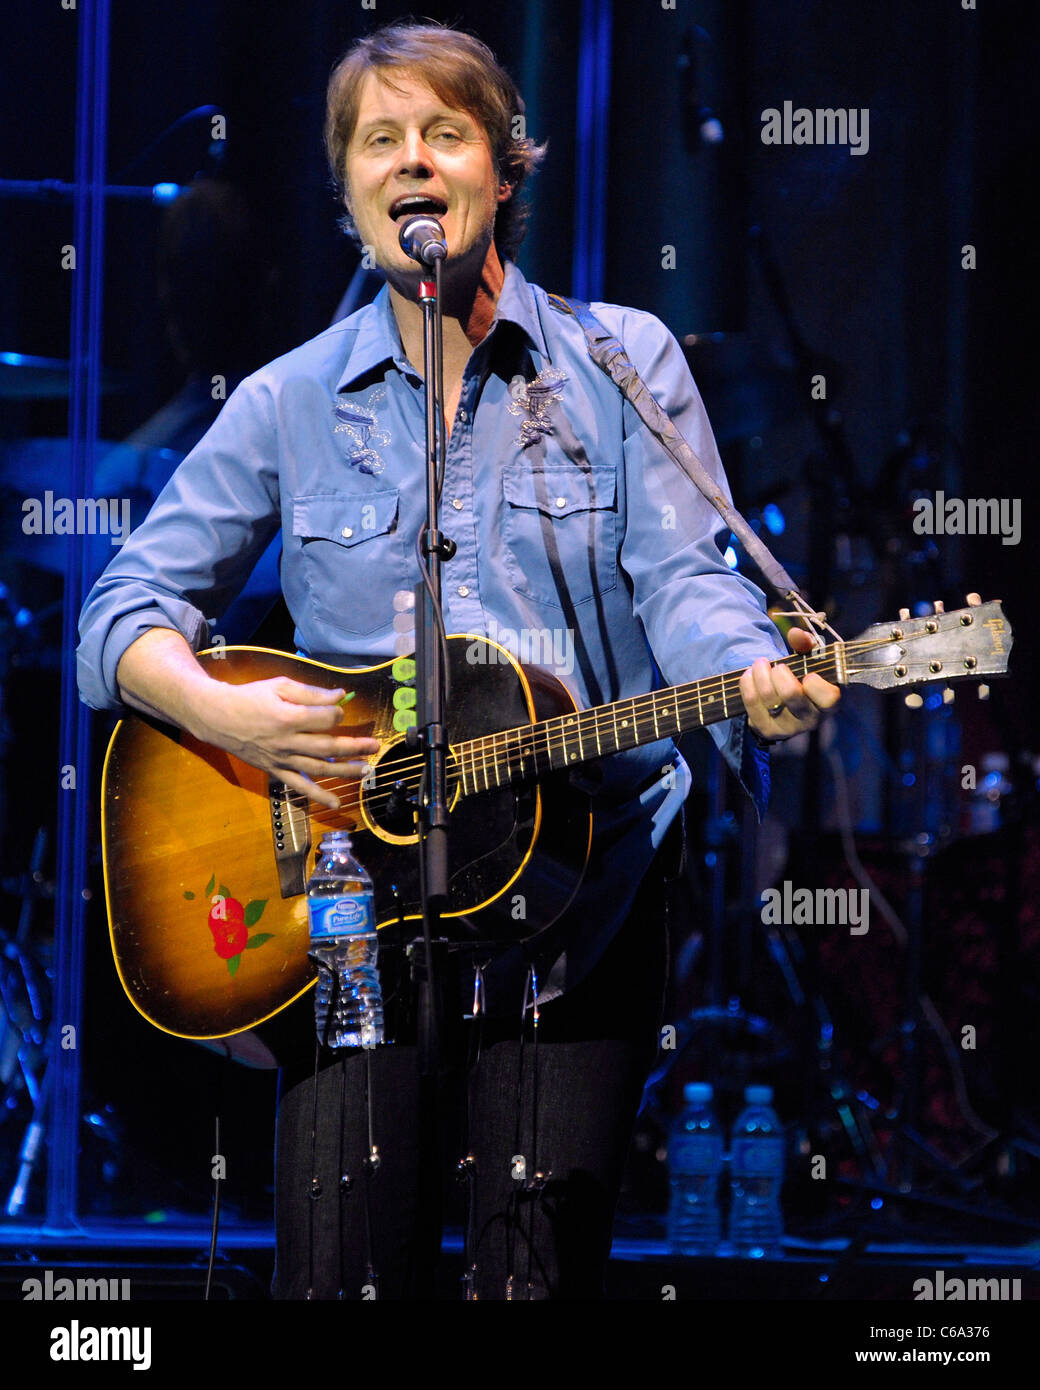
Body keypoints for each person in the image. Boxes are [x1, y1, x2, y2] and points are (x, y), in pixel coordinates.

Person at [77, 20, 840, 1299]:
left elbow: (687, 583)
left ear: (503, 172)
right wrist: (229, 713)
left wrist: (752, 678)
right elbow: (122, 614)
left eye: (445, 133)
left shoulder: (618, 362)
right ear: (350, 191)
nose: (413, 162)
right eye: (382, 140)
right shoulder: (286, 400)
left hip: (575, 910)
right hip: (346, 931)